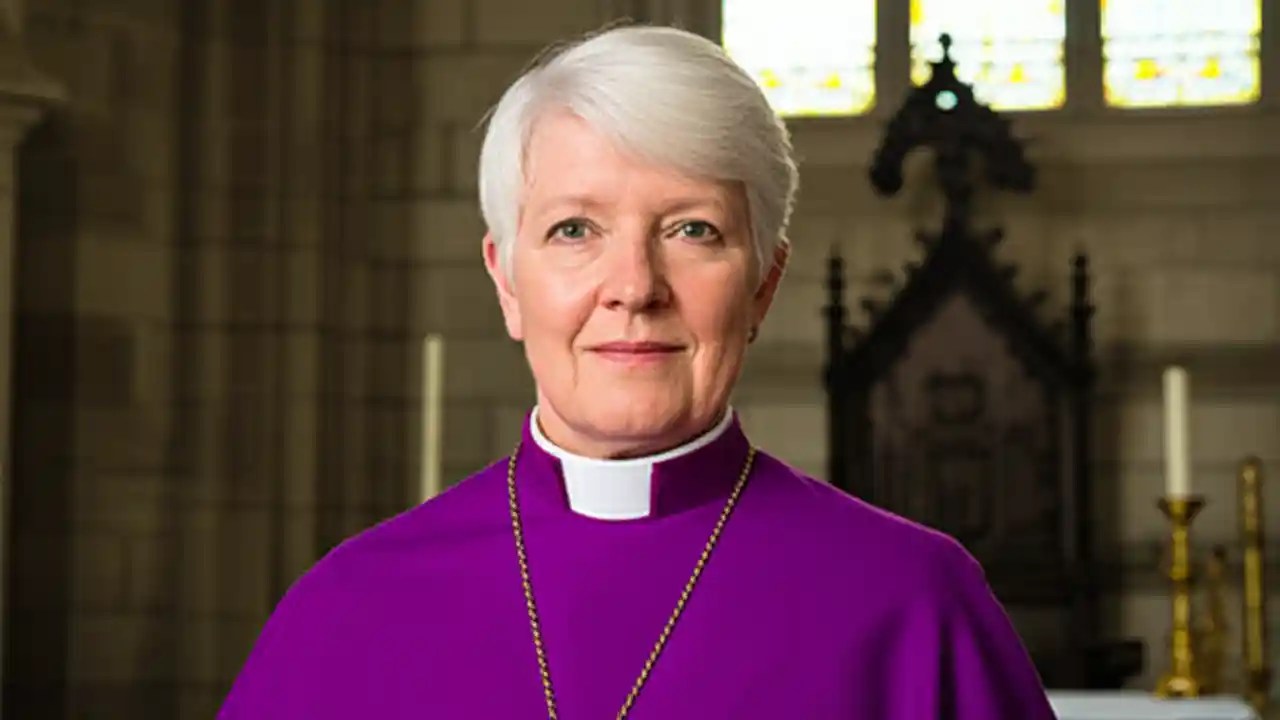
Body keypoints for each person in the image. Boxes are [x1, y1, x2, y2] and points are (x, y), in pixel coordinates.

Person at [218, 24, 1055, 719]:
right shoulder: (349, 607)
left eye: (692, 230)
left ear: (763, 286)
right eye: (575, 230)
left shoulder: (911, 604)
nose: (634, 287)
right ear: (506, 282)